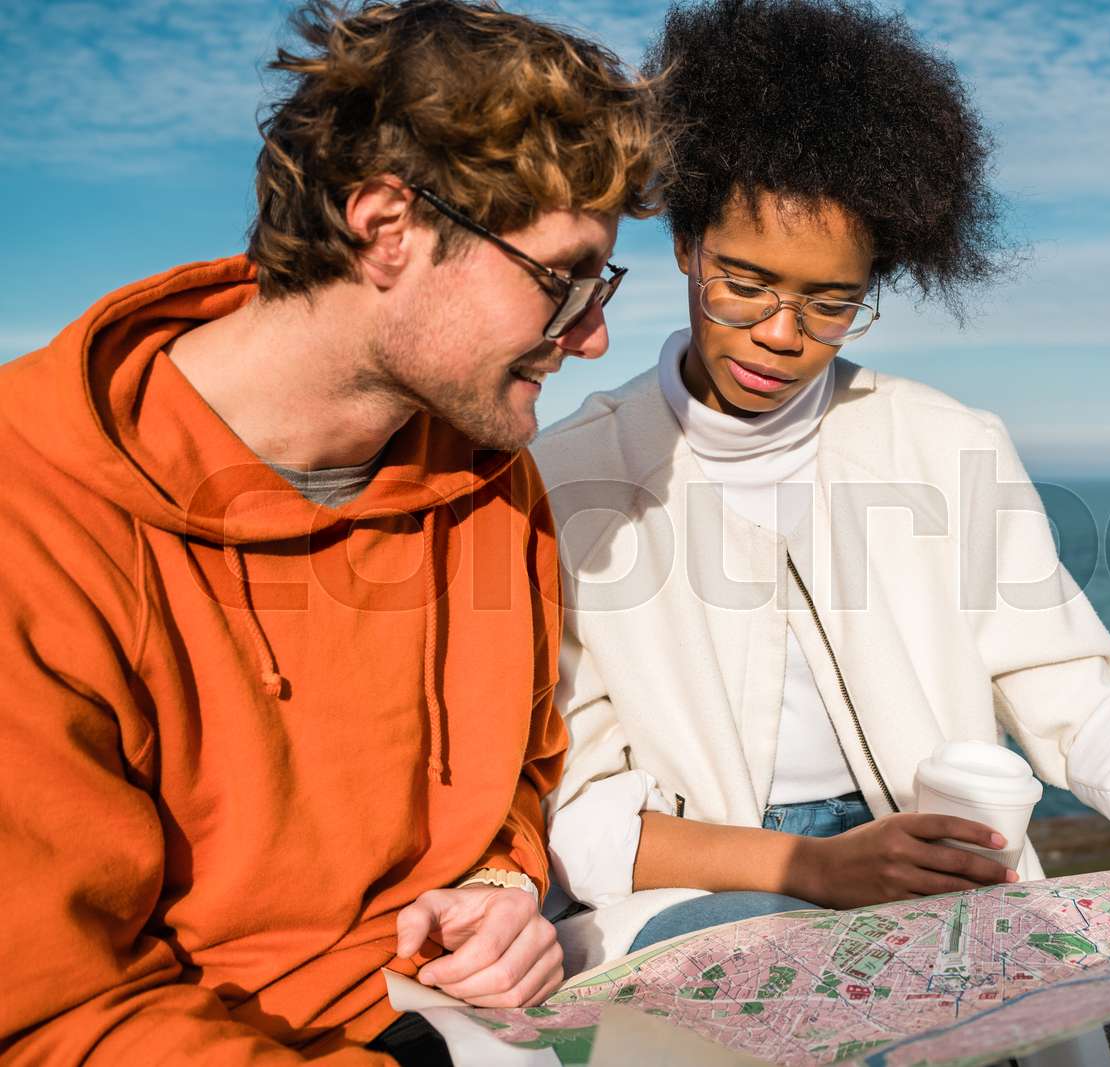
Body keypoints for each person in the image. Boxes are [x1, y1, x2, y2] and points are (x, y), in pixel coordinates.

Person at [532, 0, 1110, 978]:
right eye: (745, 283)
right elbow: (581, 813)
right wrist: (818, 866)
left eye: (831, 302)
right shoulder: (566, 478)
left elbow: (1079, 707)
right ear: (686, 243)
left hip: (943, 876)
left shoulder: (948, 445)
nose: (783, 332)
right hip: (700, 900)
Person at [0, 1, 663, 1062]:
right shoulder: (31, 511)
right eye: (562, 280)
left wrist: (501, 880)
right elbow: (49, 1012)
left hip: (474, 1016)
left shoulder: (492, 476)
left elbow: (519, 776)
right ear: (386, 227)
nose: (591, 337)